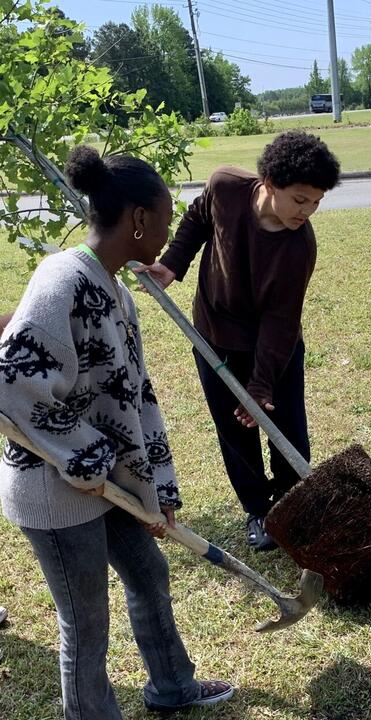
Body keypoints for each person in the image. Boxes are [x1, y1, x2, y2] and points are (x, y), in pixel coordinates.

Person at [0, 146, 234, 717]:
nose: (169, 230)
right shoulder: (63, 281)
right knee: (85, 624)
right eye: (164, 217)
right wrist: (85, 459)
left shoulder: (116, 290)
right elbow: (12, 381)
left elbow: (134, 399)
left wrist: (157, 490)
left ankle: (173, 687)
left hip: (108, 484)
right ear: (137, 219)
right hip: (56, 489)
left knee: (150, 575)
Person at [137, 131, 341, 551]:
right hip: (213, 335)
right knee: (233, 429)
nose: (307, 211)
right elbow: (198, 216)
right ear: (268, 183)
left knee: (287, 427)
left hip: (272, 347)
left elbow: (281, 321)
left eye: (316, 202)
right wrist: (173, 264)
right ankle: (258, 509)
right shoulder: (226, 186)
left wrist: (261, 386)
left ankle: (290, 502)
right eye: (300, 200)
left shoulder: (299, 246)